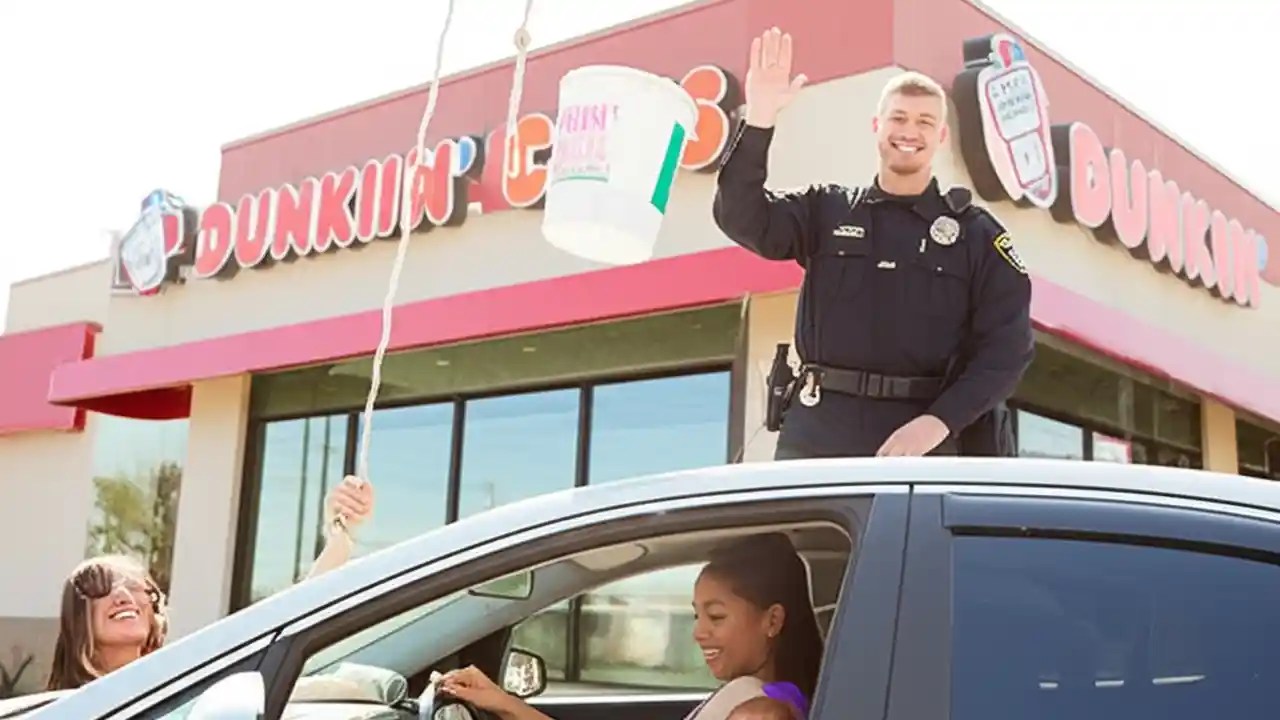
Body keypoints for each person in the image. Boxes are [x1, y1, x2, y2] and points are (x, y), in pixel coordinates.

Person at [714, 27, 1034, 460]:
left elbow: (1006, 351)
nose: (910, 131)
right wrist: (760, 117)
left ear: (941, 137)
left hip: (922, 437)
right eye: (898, 118)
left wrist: (936, 425)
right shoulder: (826, 211)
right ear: (876, 126)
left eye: (925, 122)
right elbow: (741, 217)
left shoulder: (977, 235)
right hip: (819, 432)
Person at [438, 532, 822, 720]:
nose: (698, 632)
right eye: (696, 615)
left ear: (772, 620)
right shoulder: (758, 696)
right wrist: (504, 704)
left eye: (716, 616)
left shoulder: (761, 713)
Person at [46, 475, 374, 691]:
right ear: (76, 614)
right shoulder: (62, 711)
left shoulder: (179, 687)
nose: (122, 594)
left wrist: (339, 535)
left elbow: (288, 621)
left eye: (135, 586)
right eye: (101, 585)